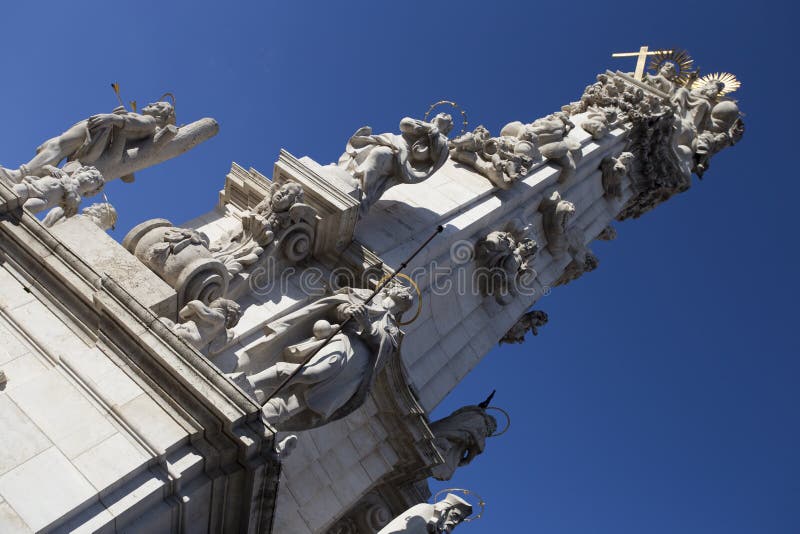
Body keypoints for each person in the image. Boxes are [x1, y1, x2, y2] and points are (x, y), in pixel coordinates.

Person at [243, 284, 414, 431]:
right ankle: (252, 382)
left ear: (404, 309)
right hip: (346, 341)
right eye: (402, 290)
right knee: (313, 372)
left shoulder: (393, 329)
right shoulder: (367, 296)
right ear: (390, 288)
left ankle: (271, 414)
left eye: (407, 297)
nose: (405, 292)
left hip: (358, 366)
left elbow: (383, 349)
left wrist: (367, 325)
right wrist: (347, 311)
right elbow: (337, 307)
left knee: (318, 397)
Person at [2, 101, 175, 183]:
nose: (151, 103)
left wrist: (113, 117)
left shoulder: (150, 123)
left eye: (156, 105)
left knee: (58, 145)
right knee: (53, 145)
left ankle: (19, 175)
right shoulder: (145, 125)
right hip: (98, 134)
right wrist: (118, 116)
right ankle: (28, 176)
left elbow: (133, 124)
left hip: (97, 135)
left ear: (160, 115)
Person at [338, 113, 453, 217]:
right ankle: (352, 183)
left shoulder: (442, 144)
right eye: (442, 114)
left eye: (447, 119)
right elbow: (404, 123)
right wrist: (427, 127)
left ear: (448, 128)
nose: (445, 114)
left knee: (379, 155)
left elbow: (434, 155)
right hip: (392, 142)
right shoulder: (422, 124)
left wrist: (434, 132)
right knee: (375, 155)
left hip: (400, 159)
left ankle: (360, 194)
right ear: (433, 119)